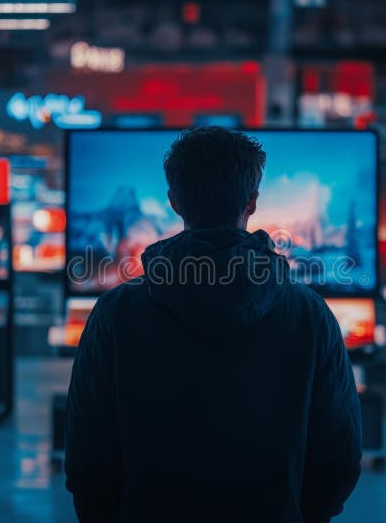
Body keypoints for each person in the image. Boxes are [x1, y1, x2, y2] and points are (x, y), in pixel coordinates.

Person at [65, 127, 362, 523]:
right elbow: (339, 458)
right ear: (252, 201)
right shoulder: (311, 315)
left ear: (174, 201)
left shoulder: (114, 314)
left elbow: (87, 457)